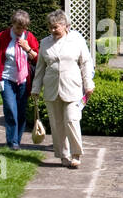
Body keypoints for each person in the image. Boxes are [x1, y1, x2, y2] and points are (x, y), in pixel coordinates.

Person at [31, 9, 94, 168]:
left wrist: (88, 83)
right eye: (50, 27)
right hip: (52, 88)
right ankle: (63, 155)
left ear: (66, 26)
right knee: (57, 124)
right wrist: (36, 88)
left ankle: (76, 153)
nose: (52, 30)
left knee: (72, 119)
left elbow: (85, 62)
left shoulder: (76, 39)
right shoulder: (45, 42)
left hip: (73, 86)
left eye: (56, 27)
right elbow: (40, 68)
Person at [0, 10, 39, 150]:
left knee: (21, 111)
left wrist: (28, 48)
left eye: (22, 28)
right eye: (17, 28)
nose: (19, 31)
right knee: (10, 108)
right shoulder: (2, 37)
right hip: (6, 78)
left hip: (24, 80)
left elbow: (38, 60)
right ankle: (12, 142)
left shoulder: (30, 37)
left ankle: (17, 140)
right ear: (12, 24)